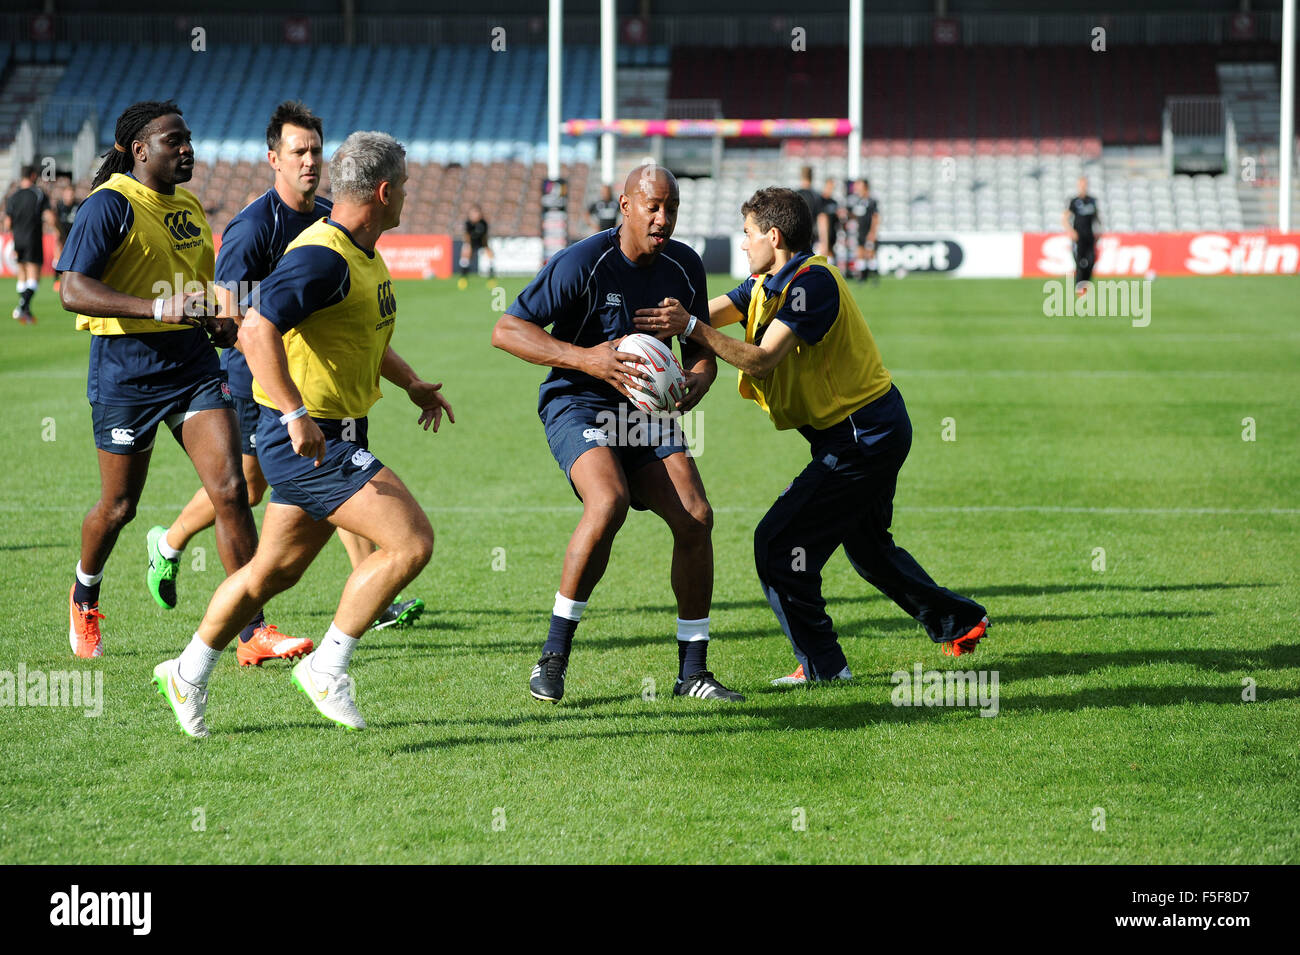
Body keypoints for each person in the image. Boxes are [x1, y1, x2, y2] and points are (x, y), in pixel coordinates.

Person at [152, 131, 454, 736]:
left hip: (330, 435)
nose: (408, 198)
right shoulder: (323, 254)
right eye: (407, 188)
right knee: (411, 542)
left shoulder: (360, 252)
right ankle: (328, 668)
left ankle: (186, 671)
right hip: (311, 442)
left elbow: (364, 336)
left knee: (273, 572)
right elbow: (257, 327)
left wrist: (413, 384)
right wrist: (293, 414)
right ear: (385, 191)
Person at [634, 187, 989, 684]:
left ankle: (825, 667)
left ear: (773, 236)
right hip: (863, 429)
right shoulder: (766, 281)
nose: (743, 244)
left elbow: (761, 357)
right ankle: (961, 621)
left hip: (863, 436)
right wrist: (645, 317)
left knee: (778, 546)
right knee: (868, 548)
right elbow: (712, 312)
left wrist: (689, 324)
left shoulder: (811, 283)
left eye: (748, 235)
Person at [491, 163, 743, 704]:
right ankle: (553, 656)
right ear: (625, 206)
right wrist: (586, 359)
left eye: (671, 208)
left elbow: (700, 350)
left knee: (696, 516)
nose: (663, 217)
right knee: (609, 501)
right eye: (652, 206)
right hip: (578, 403)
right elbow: (506, 329)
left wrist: (696, 381)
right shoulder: (584, 261)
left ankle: (692, 671)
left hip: (646, 412)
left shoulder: (684, 266)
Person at [56, 100, 254, 659]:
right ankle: (85, 592)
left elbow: (198, 289)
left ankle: (251, 627)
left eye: (189, 139)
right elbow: (72, 289)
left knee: (232, 491)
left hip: (192, 366)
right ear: (140, 150)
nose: (187, 148)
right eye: (175, 141)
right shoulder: (109, 205)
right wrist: (156, 308)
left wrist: (216, 320)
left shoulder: (189, 205)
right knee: (119, 507)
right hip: (126, 373)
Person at [4, 165, 55, 323]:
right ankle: (21, 306)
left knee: (22, 273)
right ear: (33, 176)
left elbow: (7, 223)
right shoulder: (38, 194)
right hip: (32, 238)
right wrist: (56, 230)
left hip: (17, 240)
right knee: (34, 277)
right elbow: (49, 217)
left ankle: (26, 311)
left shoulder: (13, 196)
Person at [1064, 176, 1101, 293]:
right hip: (1078, 237)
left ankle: (1086, 285)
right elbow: (1065, 218)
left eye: (1085, 184)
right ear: (1078, 186)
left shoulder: (1092, 201)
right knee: (1079, 263)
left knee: (1091, 261)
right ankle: (1079, 287)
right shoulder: (1074, 201)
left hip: (1090, 236)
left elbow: (1097, 217)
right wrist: (1070, 231)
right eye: (1081, 185)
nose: (1083, 187)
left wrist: (1099, 231)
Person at [844, 178, 880, 284]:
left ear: (865, 187)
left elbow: (876, 217)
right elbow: (856, 215)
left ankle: (874, 277)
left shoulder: (872, 201)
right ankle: (862, 278)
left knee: (870, 254)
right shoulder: (858, 201)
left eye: (859, 186)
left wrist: (873, 232)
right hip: (861, 232)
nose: (857, 189)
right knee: (860, 253)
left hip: (869, 232)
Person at [53, 179, 81, 292]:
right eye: (67, 193)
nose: (69, 196)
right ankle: (57, 280)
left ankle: (72, 280)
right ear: (64, 194)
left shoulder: (78, 205)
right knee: (59, 255)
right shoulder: (59, 206)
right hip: (63, 235)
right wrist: (58, 233)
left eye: (71, 193)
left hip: (73, 236)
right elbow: (55, 221)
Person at [458, 203, 494, 283]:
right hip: (471, 243)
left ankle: (491, 278)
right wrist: (469, 246)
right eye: (473, 213)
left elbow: (485, 237)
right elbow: (467, 237)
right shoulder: (468, 223)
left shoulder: (483, 223)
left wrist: (486, 247)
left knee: (490, 255)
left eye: (476, 213)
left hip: (481, 243)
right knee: (465, 252)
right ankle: (463, 277)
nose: (474, 215)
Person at [817, 176, 839, 263]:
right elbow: (821, 220)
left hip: (832, 235)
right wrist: (823, 241)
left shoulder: (834, 202)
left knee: (831, 260)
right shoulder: (819, 201)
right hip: (821, 237)